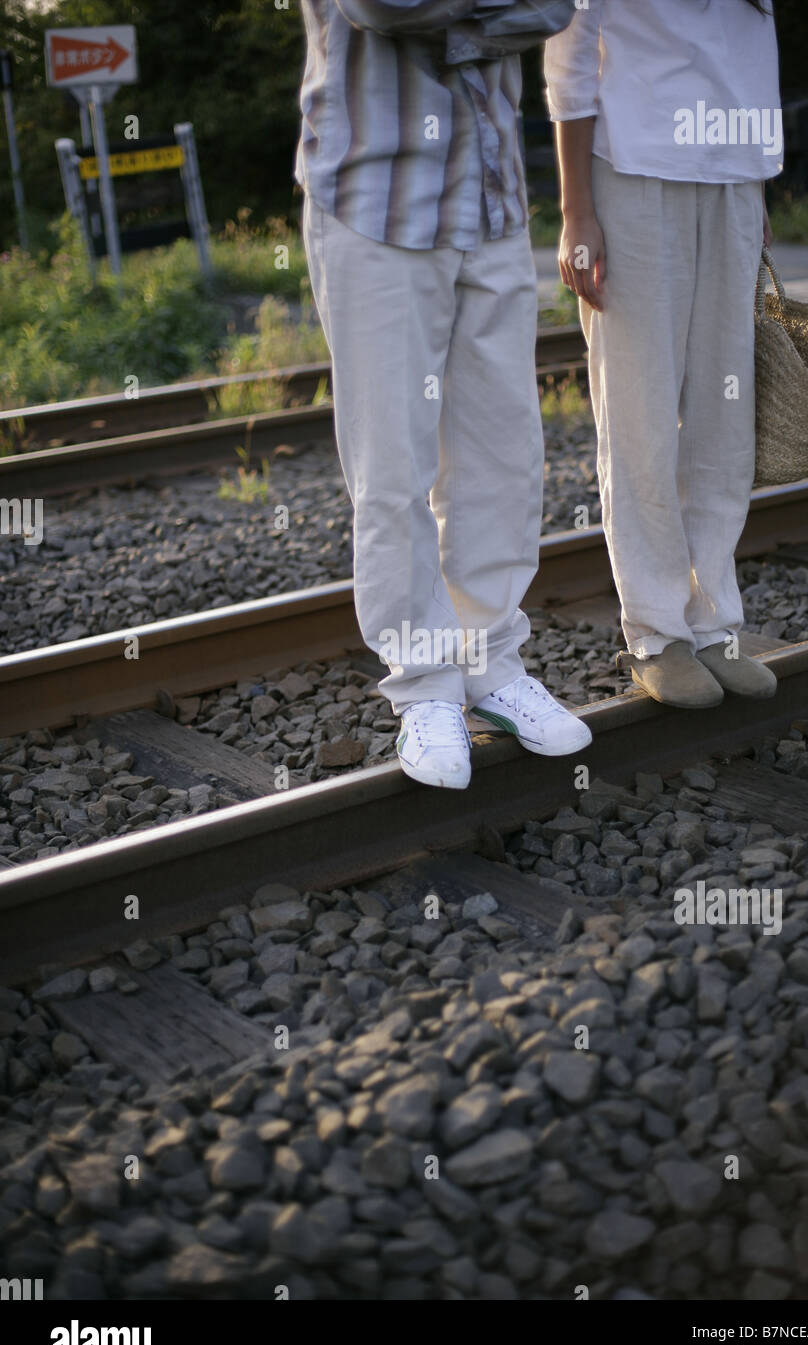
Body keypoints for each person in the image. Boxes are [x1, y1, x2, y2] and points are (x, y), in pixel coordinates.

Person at [296, 0, 593, 789]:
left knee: (505, 454)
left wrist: (458, 21)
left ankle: (490, 662)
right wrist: (495, 15)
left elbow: (555, 6)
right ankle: (425, 685)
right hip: (374, 195)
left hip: (491, 200)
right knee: (392, 469)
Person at [545, 0, 783, 708]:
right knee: (640, 409)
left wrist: (752, 176)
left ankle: (714, 623)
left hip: (733, 168)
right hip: (635, 164)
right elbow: (572, 46)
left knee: (723, 414)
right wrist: (576, 209)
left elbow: (746, 44)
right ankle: (655, 631)